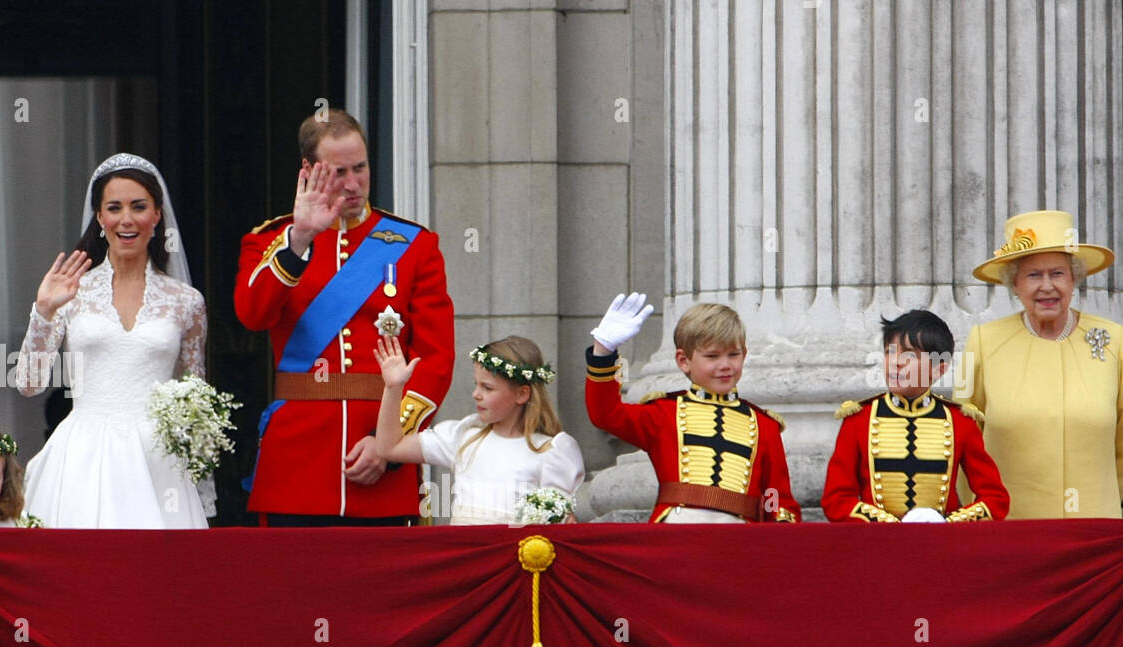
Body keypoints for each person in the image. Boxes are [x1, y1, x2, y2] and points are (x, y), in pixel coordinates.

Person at [234, 108, 455, 525]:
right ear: (308, 170)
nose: (353, 184)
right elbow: (252, 315)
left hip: (380, 455)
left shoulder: (414, 245)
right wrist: (299, 239)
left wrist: (389, 443)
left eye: (361, 168)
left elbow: (435, 357)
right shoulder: (271, 241)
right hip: (296, 464)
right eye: (339, 172)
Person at [17, 153, 209, 528]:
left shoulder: (186, 302)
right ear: (100, 218)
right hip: (81, 456)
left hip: (159, 462)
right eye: (114, 207)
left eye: (138, 207)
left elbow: (195, 396)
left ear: (157, 215)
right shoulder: (70, 291)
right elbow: (28, 383)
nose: (126, 219)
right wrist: (43, 311)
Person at [957, 209, 1121, 518]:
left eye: (1057, 273)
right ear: (1014, 284)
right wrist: (976, 511)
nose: (1047, 286)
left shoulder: (1116, 340)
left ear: (1074, 279)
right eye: (1034, 275)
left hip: (1096, 529)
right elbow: (962, 437)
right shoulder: (979, 341)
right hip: (1011, 528)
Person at [585, 294, 801, 523]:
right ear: (683, 361)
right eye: (712, 356)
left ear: (744, 355)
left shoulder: (764, 426)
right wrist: (604, 353)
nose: (725, 365)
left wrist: (780, 534)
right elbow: (606, 414)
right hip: (677, 534)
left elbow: (776, 498)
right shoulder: (664, 414)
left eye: (733, 355)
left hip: (740, 542)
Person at [374, 334, 584, 524]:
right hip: (464, 559)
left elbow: (560, 522)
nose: (476, 394)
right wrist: (393, 388)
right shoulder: (464, 437)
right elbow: (390, 448)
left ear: (522, 394)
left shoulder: (550, 450)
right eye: (477, 384)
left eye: (487, 388)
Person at [822, 310, 1009, 523]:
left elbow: (996, 498)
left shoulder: (960, 422)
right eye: (889, 352)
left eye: (909, 355)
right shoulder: (858, 420)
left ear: (938, 369)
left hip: (942, 545)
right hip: (875, 545)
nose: (895, 362)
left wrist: (947, 522)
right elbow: (836, 499)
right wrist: (888, 524)